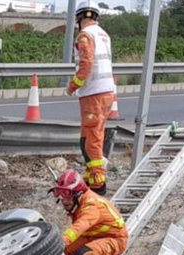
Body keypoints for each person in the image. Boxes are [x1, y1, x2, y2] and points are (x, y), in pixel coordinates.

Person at [52, 169, 128, 255]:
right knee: (62, 252)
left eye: (67, 194)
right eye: (60, 194)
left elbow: (78, 228)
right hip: (95, 235)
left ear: (78, 193)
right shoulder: (81, 201)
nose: (63, 200)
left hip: (114, 239)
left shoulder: (91, 207)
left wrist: (61, 241)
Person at [66, 4, 114, 195]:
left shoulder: (85, 36)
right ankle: (90, 175)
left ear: (79, 18)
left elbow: (86, 64)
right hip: (106, 93)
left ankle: (97, 182)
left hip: (93, 93)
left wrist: (73, 85)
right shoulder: (103, 34)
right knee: (93, 137)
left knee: (91, 139)